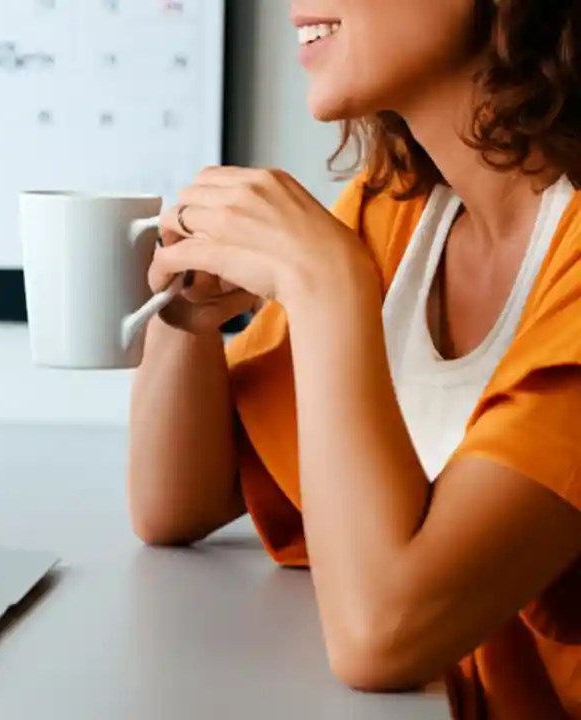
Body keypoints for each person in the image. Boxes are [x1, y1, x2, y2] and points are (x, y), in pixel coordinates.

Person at [128, 2, 580, 717]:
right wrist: (192, 315)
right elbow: (175, 505)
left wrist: (324, 287)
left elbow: (382, 639)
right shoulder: (397, 210)